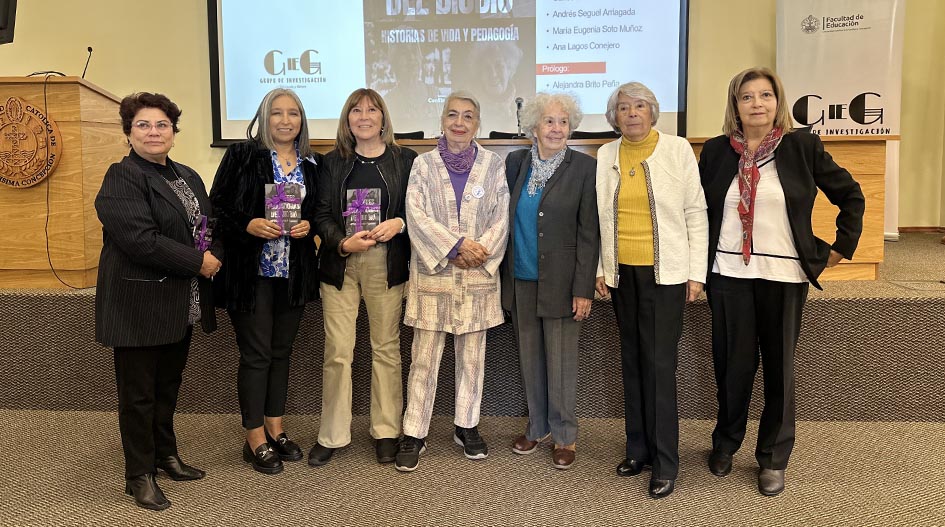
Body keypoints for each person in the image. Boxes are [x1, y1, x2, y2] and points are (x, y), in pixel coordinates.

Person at [698, 67, 864, 496]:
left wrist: (842, 246)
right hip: (729, 274)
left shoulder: (800, 146)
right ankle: (726, 443)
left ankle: (773, 457)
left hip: (784, 275)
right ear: (734, 105)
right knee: (732, 367)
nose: (757, 103)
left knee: (779, 369)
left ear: (778, 101)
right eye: (747, 96)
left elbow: (850, 193)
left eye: (766, 95)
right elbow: (699, 213)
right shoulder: (716, 151)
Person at [95, 92, 221, 510]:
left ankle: (166, 456)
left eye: (161, 125)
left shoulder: (186, 175)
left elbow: (205, 223)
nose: (153, 132)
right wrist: (198, 262)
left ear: (173, 131)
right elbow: (140, 240)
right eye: (143, 125)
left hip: (179, 301)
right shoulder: (121, 176)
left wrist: (215, 251)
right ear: (129, 133)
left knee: (168, 386)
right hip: (138, 304)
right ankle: (139, 474)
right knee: (138, 395)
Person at [595, 82, 708, 499]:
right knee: (632, 362)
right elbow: (600, 218)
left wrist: (696, 273)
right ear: (614, 116)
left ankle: (665, 463)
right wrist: (600, 268)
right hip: (622, 274)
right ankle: (637, 449)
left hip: (668, 275)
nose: (632, 114)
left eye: (640, 106)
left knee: (659, 367)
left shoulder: (677, 150)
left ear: (653, 111)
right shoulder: (606, 155)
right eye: (623, 108)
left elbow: (696, 210)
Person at [394, 91, 510, 472]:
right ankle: (414, 431)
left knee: (473, 358)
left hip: (477, 275)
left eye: (468, 116)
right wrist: (455, 246)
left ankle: (467, 425)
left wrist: (479, 251)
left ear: (477, 124)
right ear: (442, 120)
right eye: (452, 115)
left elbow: (501, 216)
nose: (459, 122)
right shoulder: (423, 165)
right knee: (423, 360)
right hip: (434, 277)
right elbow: (416, 213)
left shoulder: (493, 165)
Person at [209, 88, 320, 475]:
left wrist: (310, 225)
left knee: (281, 353)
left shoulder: (313, 163)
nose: (286, 120)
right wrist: (247, 224)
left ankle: (276, 426)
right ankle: (253, 435)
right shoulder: (242, 156)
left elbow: (319, 213)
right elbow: (216, 207)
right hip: (251, 272)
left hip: (293, 274)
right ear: (264, 117)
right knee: (256, 355)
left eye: (294, 113)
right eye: (277, 113)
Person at [308, 88, 418, 466]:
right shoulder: (331, 163)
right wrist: (341, 243)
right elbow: (321, 213)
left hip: (386, 263)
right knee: (338, 351)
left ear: (384, 118)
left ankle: (386, 430)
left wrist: (398, 223)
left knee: (385, 348)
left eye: (372, 109)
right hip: (341, 264)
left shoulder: (406, 160)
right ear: (347, 119)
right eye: (356, 110)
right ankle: (332, 433)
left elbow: (415, 211)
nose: (365, 116)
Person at [500, 92, 598, 469]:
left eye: (563, 122)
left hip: (562, 281)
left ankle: (564, 435)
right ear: (533, 128)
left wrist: (582, 289)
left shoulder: (583, 168)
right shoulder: (514, 163)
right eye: (549, 122)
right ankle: (537, 426)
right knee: (530, 359)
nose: (556, 129)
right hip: (521, 276)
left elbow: (589, 233)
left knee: (561, 362)